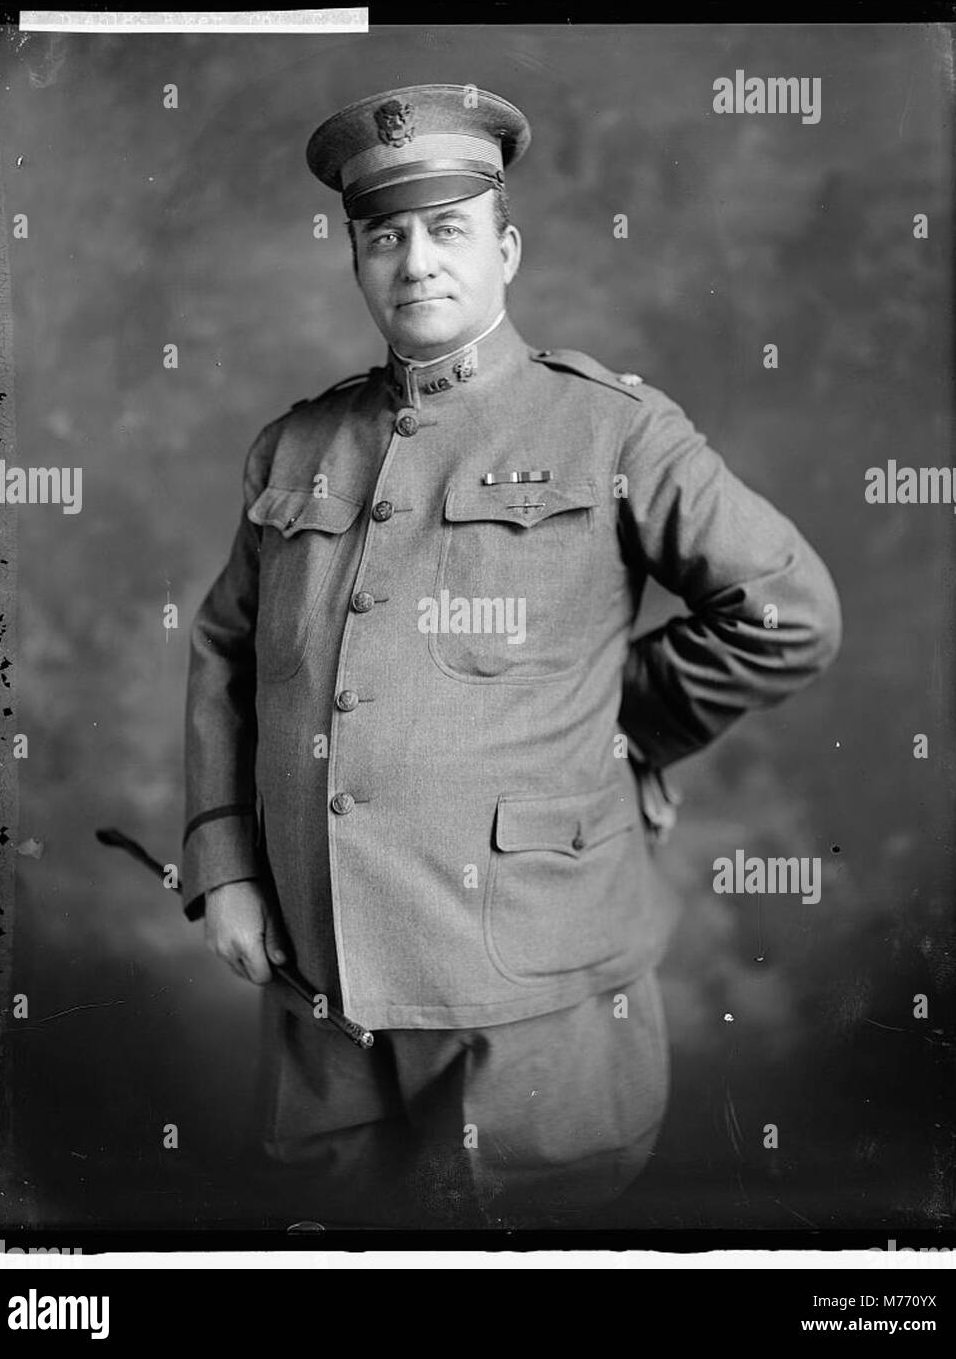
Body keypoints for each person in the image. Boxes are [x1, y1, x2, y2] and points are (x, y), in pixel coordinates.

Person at [182, 83, 842, 1229]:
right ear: (354, 260)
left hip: (520, 989)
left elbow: (787, 612)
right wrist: (225, 865)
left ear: (506, 247)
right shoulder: (296, 444)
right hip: (316, 977)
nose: (415, 262)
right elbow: (226, 655)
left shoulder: (612, 429)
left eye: (447, 229)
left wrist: (617, 721)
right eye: (383, 235)